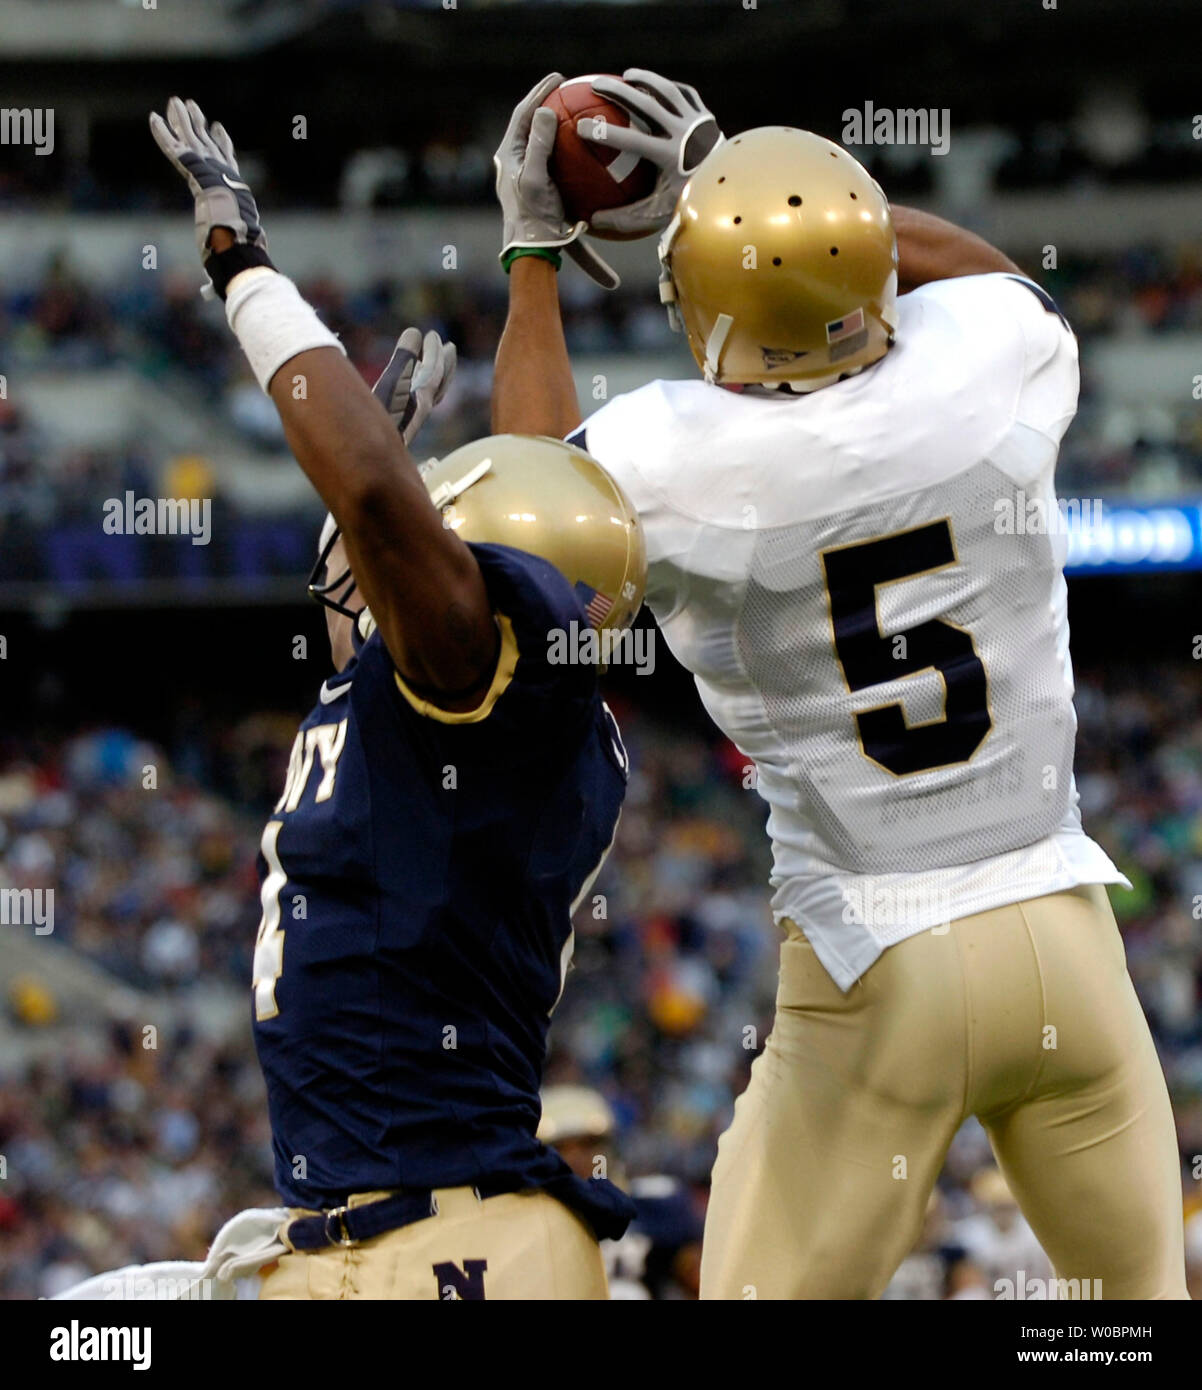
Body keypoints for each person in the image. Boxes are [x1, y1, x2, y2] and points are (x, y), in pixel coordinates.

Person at [489, 73, 1188, 1300]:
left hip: (877, 971)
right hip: (1070, 938)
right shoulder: (987, 369)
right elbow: (980, 276)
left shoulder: (679, 461)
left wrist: (532, 258)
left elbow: (527, 527)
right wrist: (734, 166)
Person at [150, 96, 646, 1300]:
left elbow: (381, 503)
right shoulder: (508, 689)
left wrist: (243, 267)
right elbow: (549, 490)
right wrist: (531, 267)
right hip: (363, 1229)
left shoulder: (479, 668)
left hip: (442, 1246)